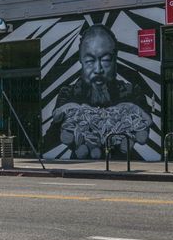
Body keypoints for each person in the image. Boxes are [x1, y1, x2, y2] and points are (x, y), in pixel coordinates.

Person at [49, 24, 151, 158]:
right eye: (90, 61)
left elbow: (146, 123)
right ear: (81, 60)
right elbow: (51, 136)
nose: (98, 69)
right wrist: (65, 120)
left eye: (106, 60)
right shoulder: (68, 94)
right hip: (82, 168)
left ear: (115, 59)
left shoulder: (132, 93)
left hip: (124, 165)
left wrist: (133, 111)